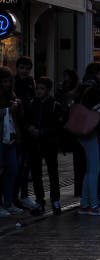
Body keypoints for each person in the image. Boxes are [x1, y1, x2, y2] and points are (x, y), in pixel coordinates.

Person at [74, 62, 100, 216]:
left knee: (89, 170)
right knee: (94, 170)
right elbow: (97, 116)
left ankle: (84, 204)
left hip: (82, 132)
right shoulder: (94, 90)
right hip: (91, 133)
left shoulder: (83, 87)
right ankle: (94, 205)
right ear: (95, 74)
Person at [24, 77, 63, 216]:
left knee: (53, 172)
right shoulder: (32, 103)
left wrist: (42, 132)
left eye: (42, 89)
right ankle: (40, 200)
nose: (39, 91)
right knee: (36, 173)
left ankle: (55, 200)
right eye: (38, 88)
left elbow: (57, 126)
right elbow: (26, 119)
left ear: (48, 90)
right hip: (35, 143)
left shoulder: (54, 105)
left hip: (49, 143)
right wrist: (30, 128)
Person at [13, 56, 36, 210]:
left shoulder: (30, 83)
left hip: (28, 128)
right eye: (22, 68)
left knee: (26, 164)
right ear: (17, 68)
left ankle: (24, 195)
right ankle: (13, 197)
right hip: (16, 128)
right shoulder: (13, 83)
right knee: (16, 165)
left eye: (27, 68)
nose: (24, 71)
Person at [0, 66, 23, 216]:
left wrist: (17, 106)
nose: (8, 84)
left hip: (11, 138)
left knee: (13, 169)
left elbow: (19, 115)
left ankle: (8, 202)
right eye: (4, 81)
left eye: (9, 81)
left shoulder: (12, 94)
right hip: (1, 137)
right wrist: (7, 109)